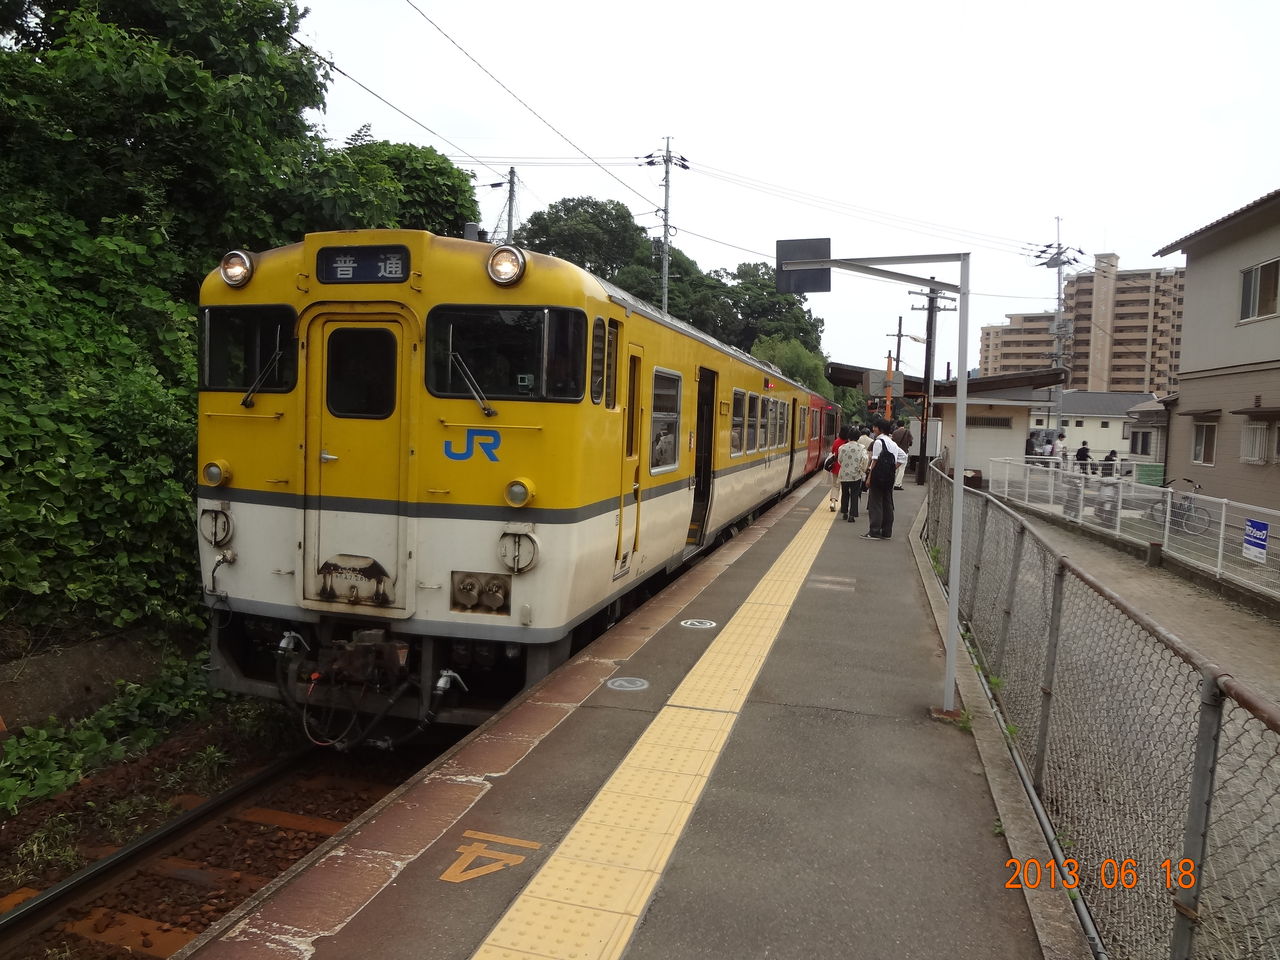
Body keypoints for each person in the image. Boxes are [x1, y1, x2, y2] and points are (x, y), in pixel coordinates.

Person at [862, 419, 908, 541]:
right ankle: (887, 532)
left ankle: (874, 531)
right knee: (887, 503)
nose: (873, 429)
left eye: (875, 427)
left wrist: (869, 477)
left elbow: (875, 461)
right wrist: (892, 468)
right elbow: (903, 457)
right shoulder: (892, 443)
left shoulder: (879, 442)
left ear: (880, 429)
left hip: (878, 476)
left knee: (875, 503)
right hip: (889, 477)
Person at [837, 429, 869, 522]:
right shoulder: (861, 448)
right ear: (858, 437)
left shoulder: (842, 447)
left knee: (845, 493)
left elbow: (839, 460)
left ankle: (844, 512)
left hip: (844, 474)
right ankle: (852, 515)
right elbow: (865, 459)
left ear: (848, 437)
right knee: (854, 494)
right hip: (856, 475)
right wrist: (863, 470)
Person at [827, 426, 848, 511]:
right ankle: (844, 506)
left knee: (835, 486)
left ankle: (833, 502)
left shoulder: (836, 441)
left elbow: (833, 452)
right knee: (845, 488)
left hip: (836, 466)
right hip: (845, 468)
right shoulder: (848, 443)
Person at [891, 420, 914, 490]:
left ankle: (893, 482)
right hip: (904, 452)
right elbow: (911, 441)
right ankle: (897, 484)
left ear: (897, 425)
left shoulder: (894, 432)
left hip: (896, 452)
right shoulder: (907, 432)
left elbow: (892, 442)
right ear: (904, 424)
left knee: (896, 468)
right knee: (901, 469)